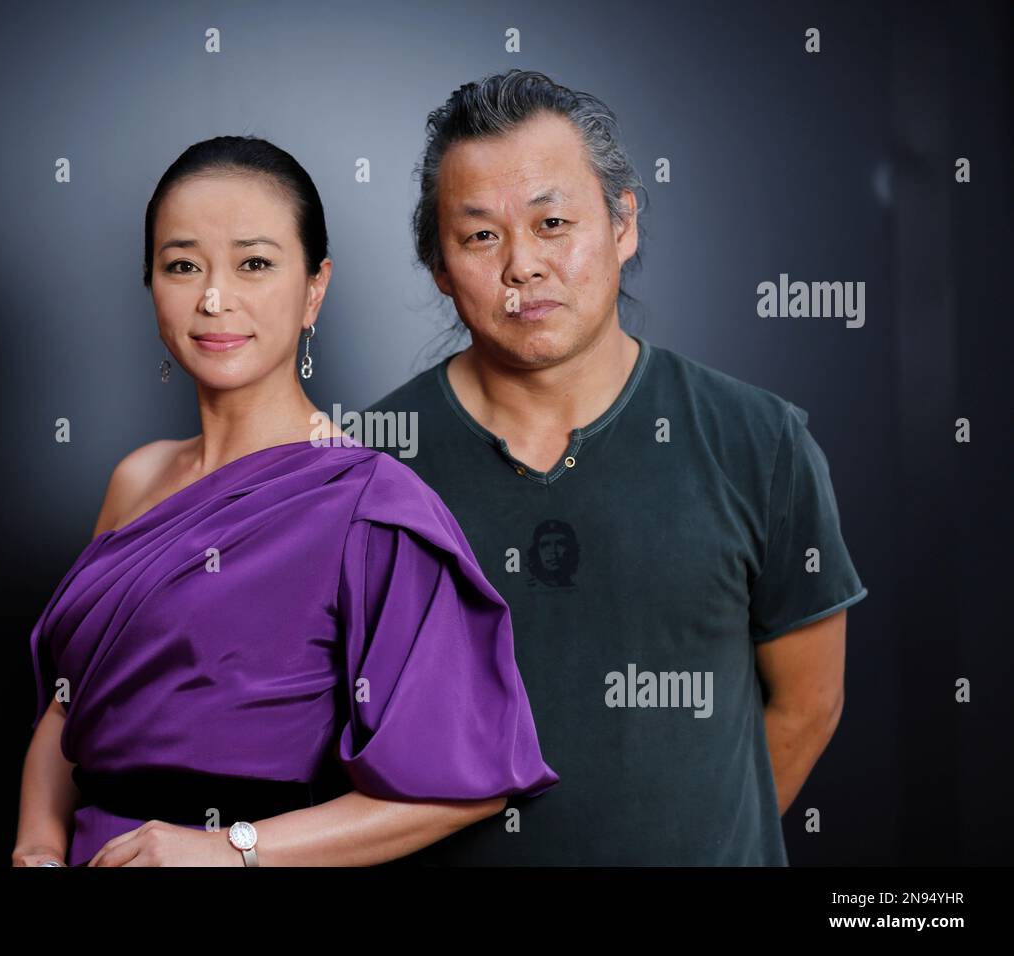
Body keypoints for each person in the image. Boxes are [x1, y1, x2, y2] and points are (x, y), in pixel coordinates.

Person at [12, 135, 558, 867]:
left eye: (254, 264)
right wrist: (39, 847)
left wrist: (228, 848)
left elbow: (465, 786)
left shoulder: (370, 504)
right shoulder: (135, 479)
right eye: (182, 266)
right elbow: (69, 705)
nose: (214, 298)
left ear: (314, 289)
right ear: (151, 284)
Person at [365, 70, 867, 865]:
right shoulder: (370, 467)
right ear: (438, 265)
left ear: (623, 223)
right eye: (481, 237)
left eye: (553, 222)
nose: (523, 265)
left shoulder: (757, 442)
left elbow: (809, 705)